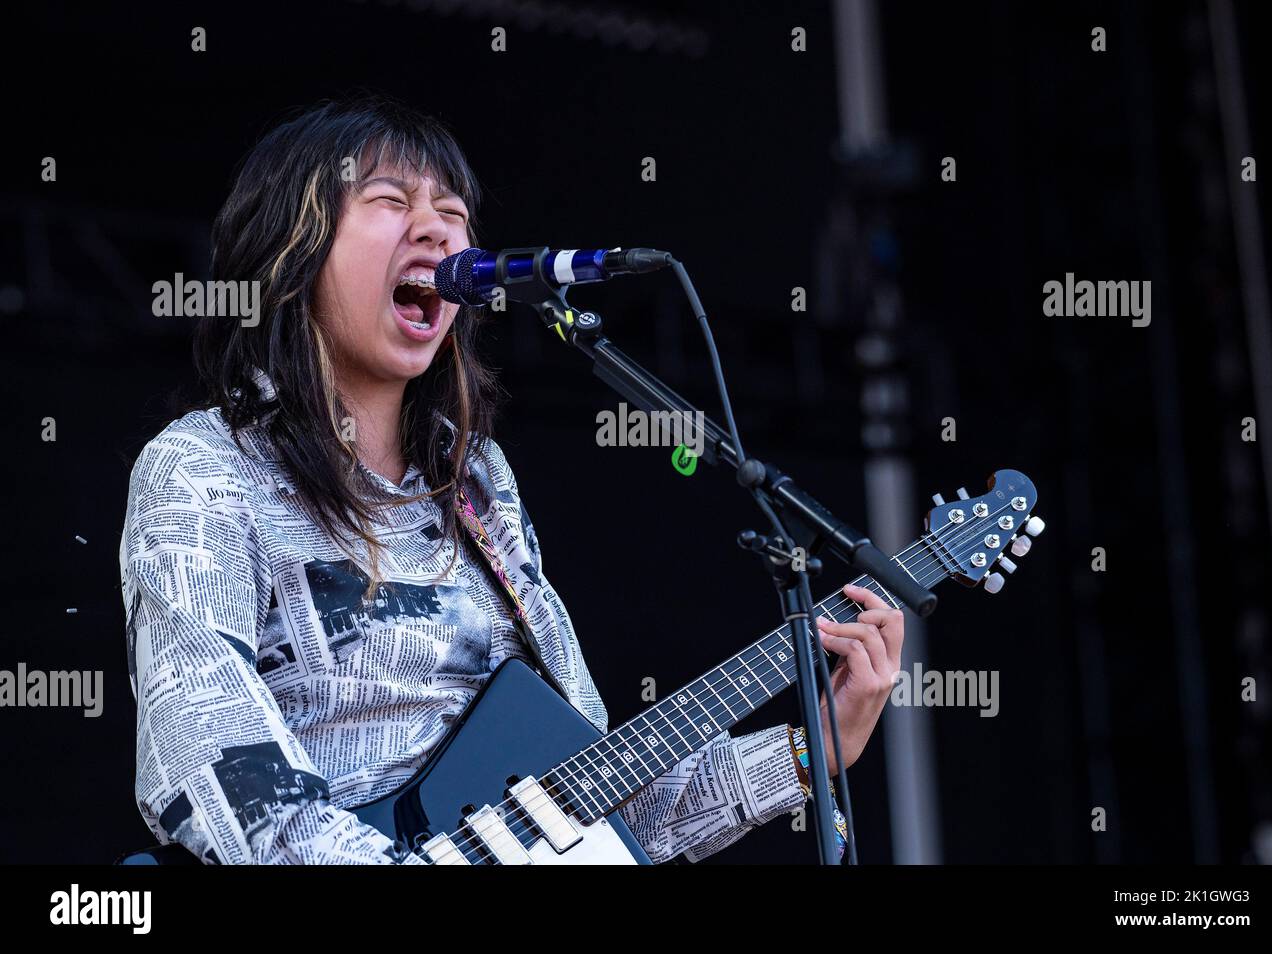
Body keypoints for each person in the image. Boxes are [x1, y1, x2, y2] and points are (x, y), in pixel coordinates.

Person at [118, 95, 905, 865]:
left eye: (453, 211)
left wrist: (813, 749)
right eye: (389, 200)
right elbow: (224, 778)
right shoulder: (205, 470)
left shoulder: (477, 483)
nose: (434, 226)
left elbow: (599, 809)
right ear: (292, 251)